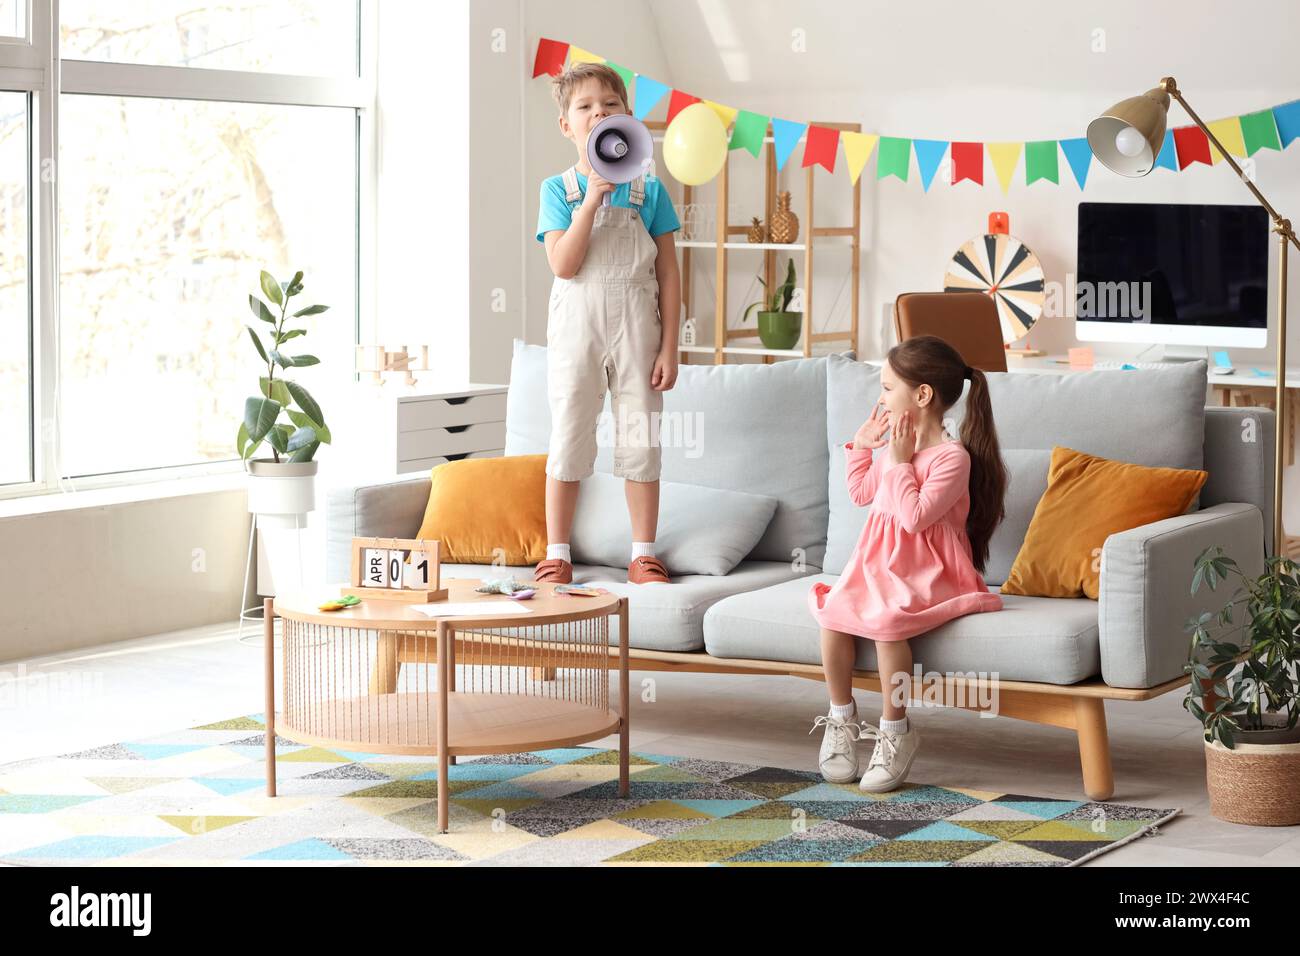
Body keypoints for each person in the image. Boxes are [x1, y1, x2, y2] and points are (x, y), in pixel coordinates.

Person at [808, 335, 1008, 791]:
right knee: (834, 616)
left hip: (929, 570)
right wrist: (862, 448)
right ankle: (842, 720)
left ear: (922, 395)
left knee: (888, 622)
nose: (879, 398)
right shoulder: (897, 445)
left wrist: (898, 461)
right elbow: (862, 494)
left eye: (886, 388)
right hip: (878, 564)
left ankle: (896, 730)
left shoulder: (952, 458)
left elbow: (915, 519)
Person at [533, 62, 682, 586]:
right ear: (568, 126)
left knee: (643, 433)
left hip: (639, 324)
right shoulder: (559, 190)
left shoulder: (649, 192)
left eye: (609, 104)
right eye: (585, 106)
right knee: (569, 431)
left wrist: (670, 347)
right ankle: (557, 552)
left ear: (627, 118)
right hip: (578, 326)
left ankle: (643, 551)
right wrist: (592, 201)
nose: (599, 112)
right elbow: (563, 265)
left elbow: (668, 271)